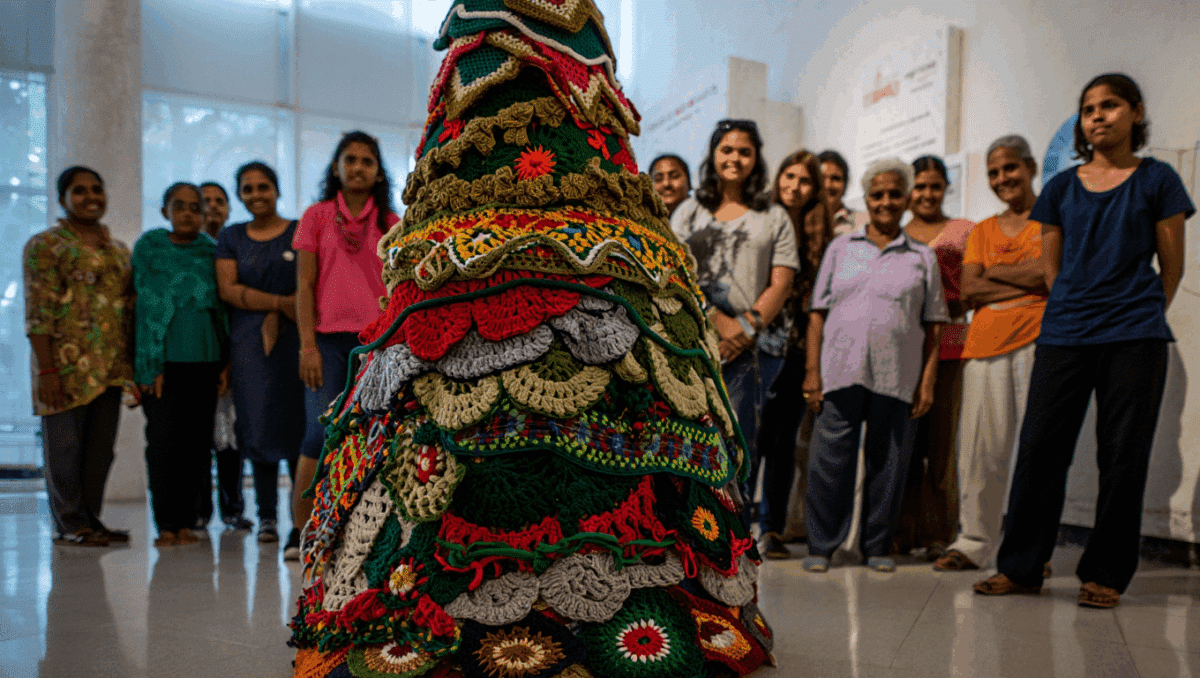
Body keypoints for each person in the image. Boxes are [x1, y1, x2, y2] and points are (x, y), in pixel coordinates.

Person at [975, 74, 1192, 608]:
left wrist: (1135, 312)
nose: (1099, 116)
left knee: (1123, 455)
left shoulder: (1158, 179)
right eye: (1089, 108)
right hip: (1066, 331)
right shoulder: (1062, 188)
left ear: (1135, 113)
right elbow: (1052, 269)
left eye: (1111, 105)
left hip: (1135, 334)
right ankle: (1022, 566)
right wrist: (1078, 305)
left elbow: (1172, 266)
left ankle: (1106, 574)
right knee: (1040, 448)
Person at [802, 157, 948, 573]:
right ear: (867, 200)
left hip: (896, 375)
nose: (886, 202)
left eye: (894, 194)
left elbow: (935, 323)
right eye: (877, 194)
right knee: (828, 462)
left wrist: (928, 382)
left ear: (906, 200)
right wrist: (812, 373)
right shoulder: (840, 248)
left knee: (890, 463)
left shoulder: (923, 257)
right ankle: (821, 547)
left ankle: (877, 547)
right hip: (839, 369)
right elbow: (817, 312)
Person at [671, 119, 798, 524]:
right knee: (691, 439)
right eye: (727, 149)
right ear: (713, 154)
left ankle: (737, 534)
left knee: (742, 442)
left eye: (744, 151)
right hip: (691, 342)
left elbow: (781, 282)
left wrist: (743, 330)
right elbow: (672, 270)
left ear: (756, 158)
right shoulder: (690, 211)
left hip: (748, 351)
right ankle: (694, 529)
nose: (735, 158)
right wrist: (713, 320)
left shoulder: (774, 215)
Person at [933, 136, 1047, 572]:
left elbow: (1053, 277)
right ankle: (973, 542)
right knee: (981, 450)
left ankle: (1031, 550)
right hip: (982, 345)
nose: (1003, 179)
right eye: (994, 173)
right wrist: (1028, 277)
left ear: (1032, 167)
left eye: (1010, 168)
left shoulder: (1052, 223)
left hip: (1040, 340)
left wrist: (996, 273)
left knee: (1035, 452)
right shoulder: (982, 230)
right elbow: (970, 287)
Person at [289, 131, 398, 561]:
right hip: (326, 345)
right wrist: (306, 347)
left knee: (372, 433)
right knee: (319, 432)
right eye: (349, 159)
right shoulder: (316, 216)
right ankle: (299, 530)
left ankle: (354, 527)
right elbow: (304, 285)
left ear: (377, 171)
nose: (357, 167)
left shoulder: (392, 224)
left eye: (367, 160)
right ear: (336, 167)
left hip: (378, 346)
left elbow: (397, 290)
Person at [23, 166, 135, 547]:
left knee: (100, 452)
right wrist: (48, 370)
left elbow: (126, 309)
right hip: (64, 369)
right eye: (80, 191)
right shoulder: (45, 246)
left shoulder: (118, 251)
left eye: (96, 189)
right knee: (65, 451)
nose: (91, 197)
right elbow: (38, 312)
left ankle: (91, 519)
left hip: (109, 369)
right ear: (62, 199)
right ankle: (69, 523)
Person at [215, 161, 306, 546]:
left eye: (263, 187)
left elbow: (312, 282)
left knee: (300, 429)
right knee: (258, 428)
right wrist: (281, 303)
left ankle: (301, 519)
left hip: (297, 342)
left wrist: (291, 308)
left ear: (277, 189)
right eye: (248, 189)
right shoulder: (231, 236)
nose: (257, 195)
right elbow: (228, 290)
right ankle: (266, 517)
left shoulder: (301, 230)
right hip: (250, 345)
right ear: (240, 195)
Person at [134, 182, 230, 547]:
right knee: (162, 444)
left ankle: (188, 521)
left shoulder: (213, 251)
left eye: (195, 207)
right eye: (180, 206)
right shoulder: (150, 249)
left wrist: (225, 365)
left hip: (205, 362)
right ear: (165, 211)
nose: (188, 213)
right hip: (163, 366)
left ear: (206, 214)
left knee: (195, 446)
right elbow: (142, 311)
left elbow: (222, 312)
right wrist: (147, 367)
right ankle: (167, 524)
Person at [893, 156, 976, 559]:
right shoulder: (896, 233)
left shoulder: (964, 232)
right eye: (920, 186)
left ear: (946, 188)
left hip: (951, 348)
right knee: (903, 444)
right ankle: (899, 532)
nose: (927, 194)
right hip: (903, 350)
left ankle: (939, 534)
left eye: (935, 186)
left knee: (941, 446)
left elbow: (975, 286)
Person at [756, 150, 831, 559]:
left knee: (783, 442)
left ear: (814, 188)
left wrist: (812, 366)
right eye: (788, 176)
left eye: (804, 180)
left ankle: (771, 529)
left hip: (797, 349)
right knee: (751, 439)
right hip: (756, 344)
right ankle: (735, 526)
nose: (794, 187)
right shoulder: (760, 220)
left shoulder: (823, 236)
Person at [196, 180, 252, 531]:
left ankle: (233, 509)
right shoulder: (190, 252)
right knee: (200, 438)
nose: (213, 207)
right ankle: (199, 510)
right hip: (199, 357)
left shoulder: (236, 248)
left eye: (220, 201)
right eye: (206, 201)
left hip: (237, 355)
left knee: (233, 439)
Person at [818, 150, 861, 236]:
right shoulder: (799, 224)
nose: (827, 185)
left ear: (845, 183)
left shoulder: (862, 222)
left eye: (835, 178)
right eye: (822, 178)